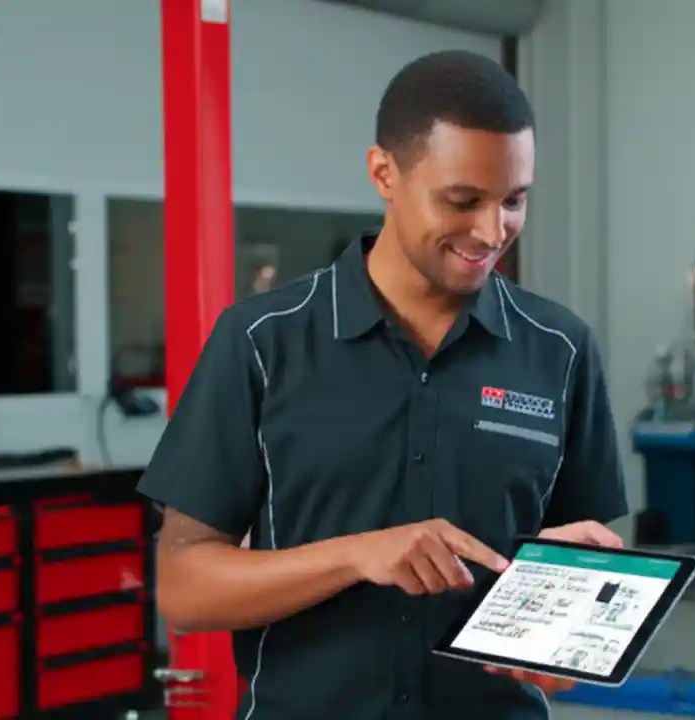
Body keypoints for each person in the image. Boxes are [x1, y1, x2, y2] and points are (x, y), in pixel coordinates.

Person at [139, 50, 628, 720]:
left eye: (514, 201)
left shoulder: (561, 351)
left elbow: (580, 557)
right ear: (383, 173)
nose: (493, 232)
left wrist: (574, 615)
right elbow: (184, 589)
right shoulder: (262, 343)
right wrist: (356, 556)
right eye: (463, 201)